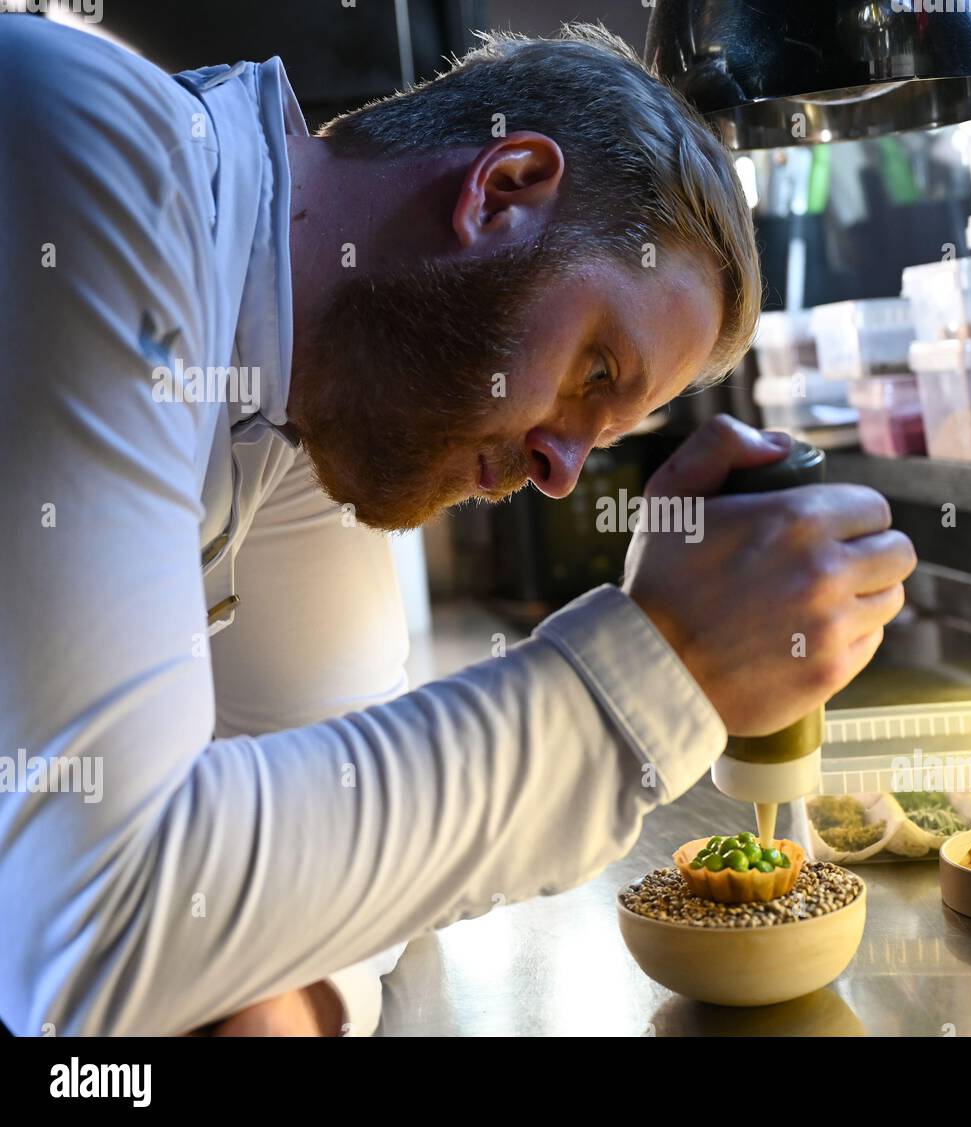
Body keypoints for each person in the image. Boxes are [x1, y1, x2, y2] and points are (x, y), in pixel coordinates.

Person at [0, 16, 915, 1035]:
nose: (560, 474)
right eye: (596, 371)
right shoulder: (88, 146)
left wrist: (284, 997)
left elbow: (325, 805)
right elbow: (98, 932)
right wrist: (658, 669)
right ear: (506, 188)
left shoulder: (303, 394)